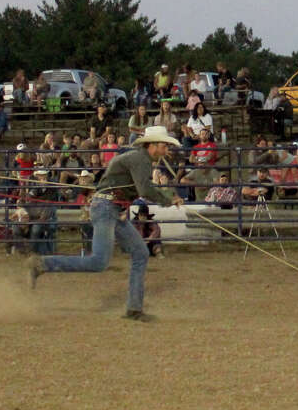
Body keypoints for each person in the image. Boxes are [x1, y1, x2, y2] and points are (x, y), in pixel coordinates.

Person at [30, 126, 183, 321]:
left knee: (140, 253)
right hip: (106, 208)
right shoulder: (141, 160)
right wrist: (169, 199)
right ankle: (42, 263)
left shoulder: (138, 159)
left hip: (111, 208)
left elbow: (126, 186)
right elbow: (144, 189)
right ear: (152, 145)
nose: (166, 150)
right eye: (164, 146)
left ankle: (134, 309)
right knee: (99, 261)